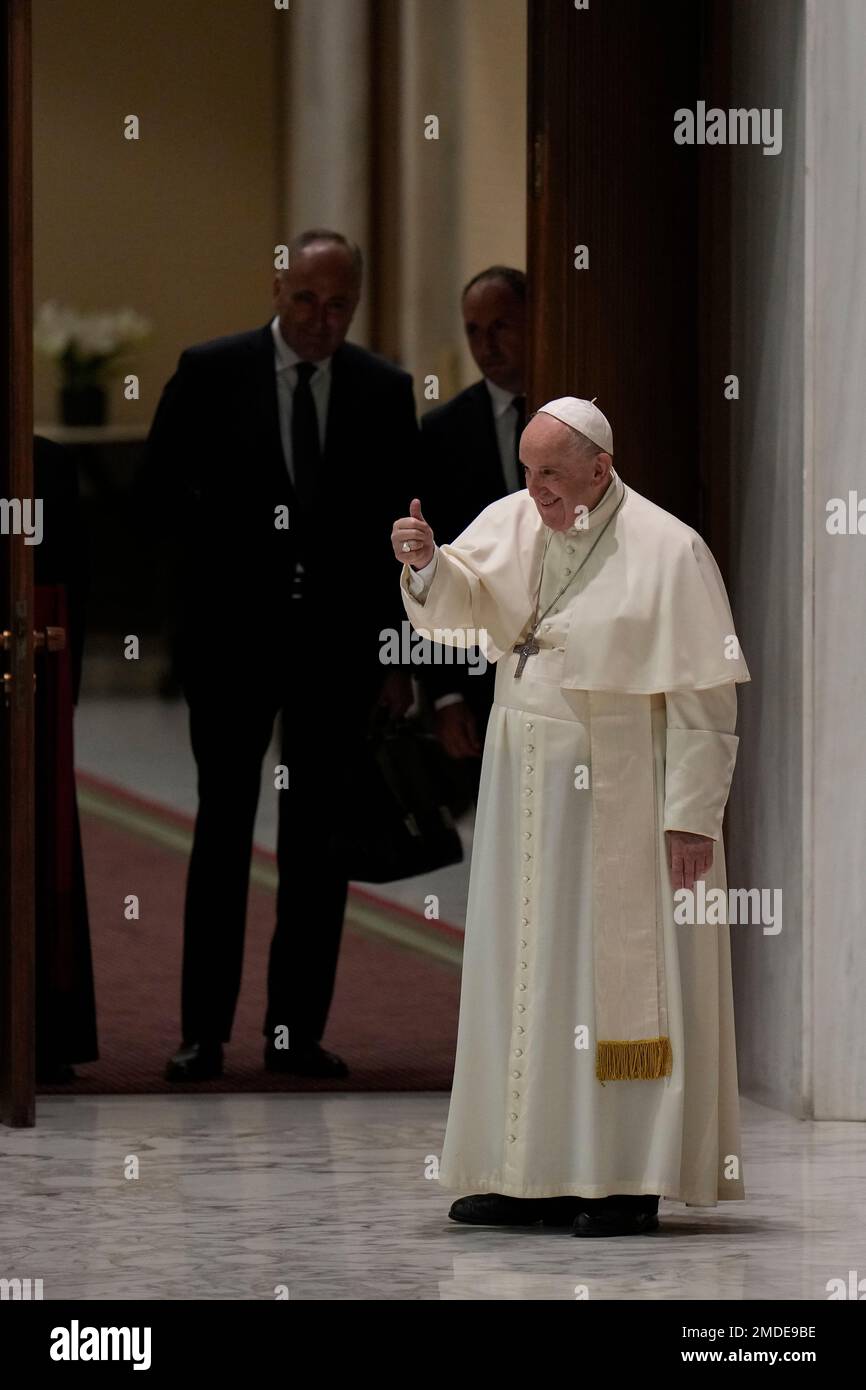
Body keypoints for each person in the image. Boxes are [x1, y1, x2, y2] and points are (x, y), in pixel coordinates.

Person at [391, 398, 749, 1236]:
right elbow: (460, 603)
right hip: (523, 788)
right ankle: (525, 1174)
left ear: (600, 467)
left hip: (622, 791)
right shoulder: (515, 519)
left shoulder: (670, 549)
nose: (535, 489)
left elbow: (706, 698)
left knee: (608, 978)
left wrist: (692, 817)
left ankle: (623, 1179)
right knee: (526, 980)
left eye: (551, 472)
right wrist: (422, 565)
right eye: (527, 470)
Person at [145, 229, 418, 1082]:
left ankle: (295, 1031)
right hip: (231, 647)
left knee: (317, 845)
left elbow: (399, 537)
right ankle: (204, 1034)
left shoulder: (382, 390)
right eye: (306, 299)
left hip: (335, 653)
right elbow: (157, 500)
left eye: (339, 305)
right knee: (222, 832)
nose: (321, 320)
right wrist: (192, 615)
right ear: (276, 288)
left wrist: (395, 654)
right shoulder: (210, 372)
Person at [418, 268, 527, 785]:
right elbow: (433, 567)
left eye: (502, 326)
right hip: (481, 659)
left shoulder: (576, 413)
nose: (487, 344)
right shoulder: (444, 432)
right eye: (474, 331)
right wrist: (446, 693)